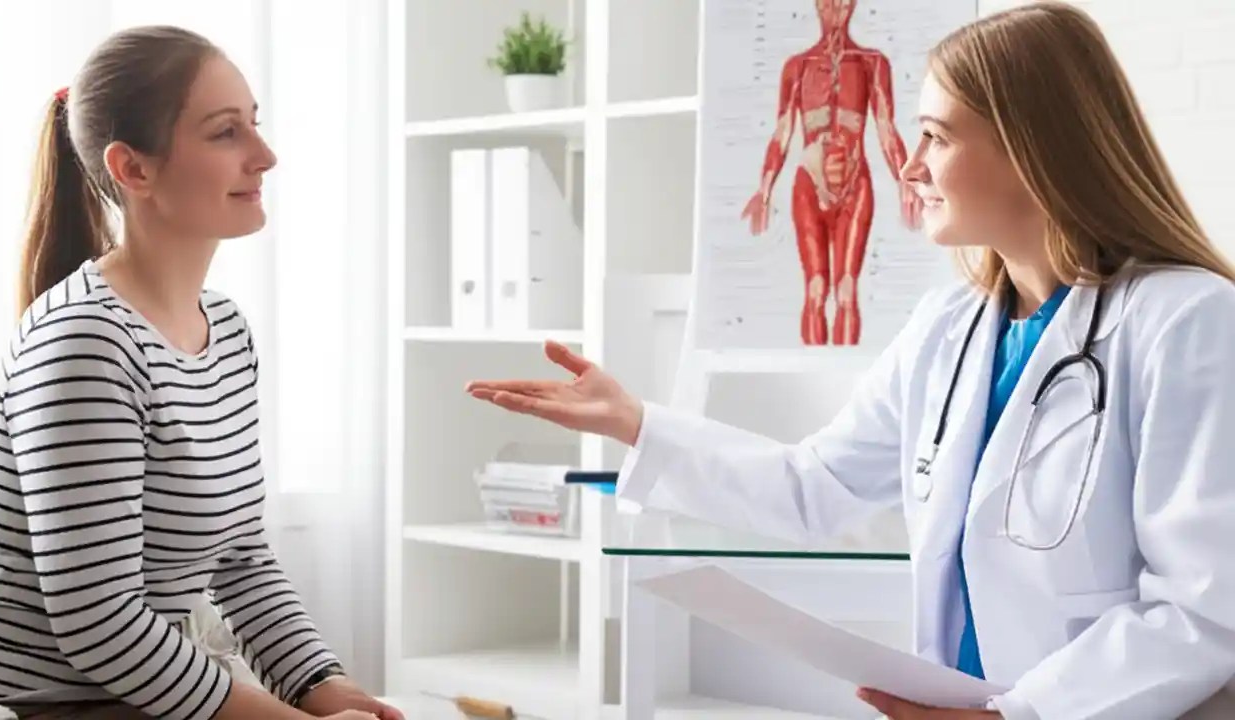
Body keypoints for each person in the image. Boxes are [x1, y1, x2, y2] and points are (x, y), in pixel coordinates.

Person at [468, 3, 1235, 718]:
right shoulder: (951, 327)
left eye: (938, 136)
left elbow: (1203, 609)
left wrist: (1020, 714)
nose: (909, 167)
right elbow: (816, 486)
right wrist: (637, 423)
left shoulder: (1185, 321)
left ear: (1032, 144)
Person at [0, 26, 401, 720]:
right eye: (227, 133)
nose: (265, 156)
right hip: (38, 705)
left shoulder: (223, 329)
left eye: (255, 124)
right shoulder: (84, 343)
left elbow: (240, 559)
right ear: (134, 170)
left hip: (134, 696)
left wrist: (325, 686)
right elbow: (100, 625)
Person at [740, 0, 921, 347]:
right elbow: (782, 132)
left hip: (856, 185)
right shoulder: (798, 66)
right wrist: (764, 190)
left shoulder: (871, 63)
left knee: (847, 291)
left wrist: (905, 182)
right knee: (815, 289)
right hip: (810, 182)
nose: (835, 8)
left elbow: (885, 128)